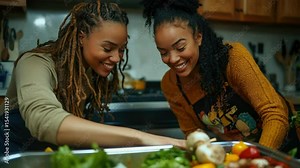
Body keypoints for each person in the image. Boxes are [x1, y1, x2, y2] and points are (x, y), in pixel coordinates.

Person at [0, 0, 185, 155]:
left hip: (47, 154)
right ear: (82, 37)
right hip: (11, 150)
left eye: (121, 50)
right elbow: (43, 120)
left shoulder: (88, 72)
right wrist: (141, 137)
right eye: (107, 48)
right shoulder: (34, 63)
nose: (116, 58)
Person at [142, 0, 299, 155]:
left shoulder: (233, 58)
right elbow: (195, 137)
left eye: (180, 47)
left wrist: (255, 160)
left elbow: (274, 113)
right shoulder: (171, 85)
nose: (173, 59)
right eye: (163, 53)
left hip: (287, 148)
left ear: (198, 37)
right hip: (238, 156)